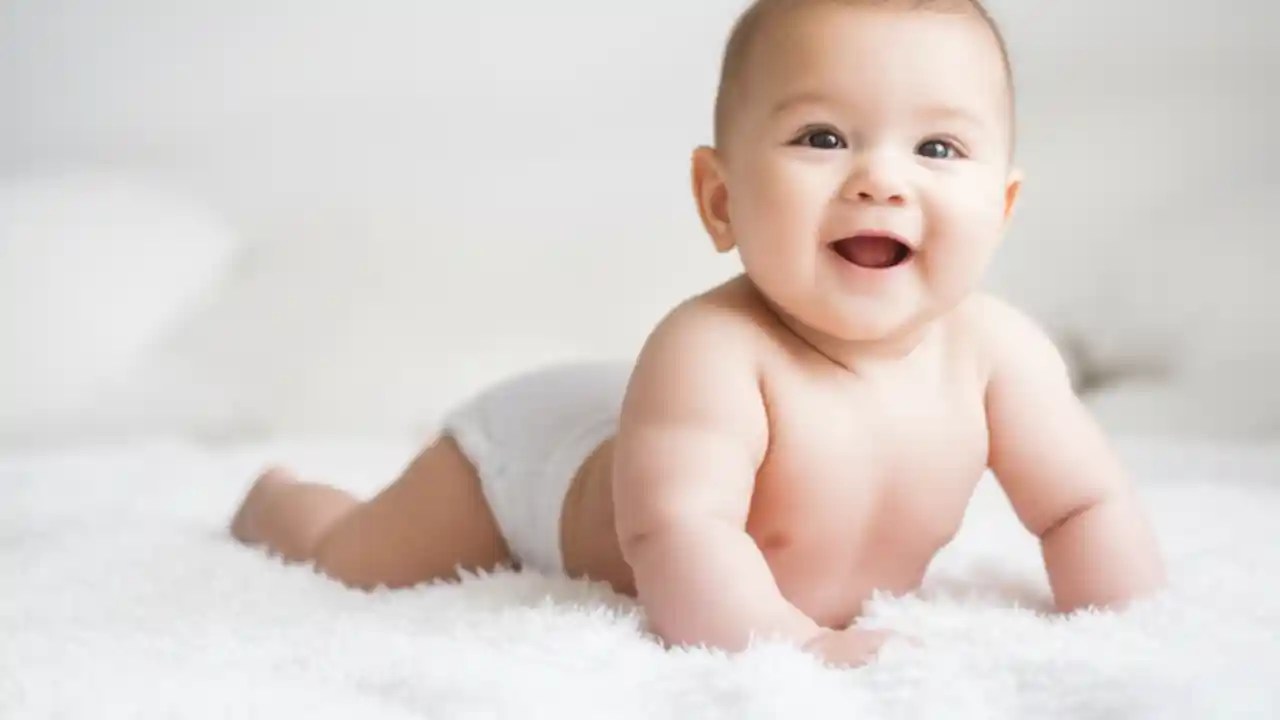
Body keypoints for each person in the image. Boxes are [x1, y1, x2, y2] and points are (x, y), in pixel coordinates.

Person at [230, 0, 1166, 668]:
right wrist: (797, 649)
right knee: (361, 560)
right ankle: (283, 502)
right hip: (533, 462)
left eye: (938, 149)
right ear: (721, 201)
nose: (882, 180)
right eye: (823, 138)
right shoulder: (715, 351)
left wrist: (1122, 617)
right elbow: (680, 533)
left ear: (1000, 211)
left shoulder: (1001, 354)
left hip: (634, 420)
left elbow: (1082, 504)